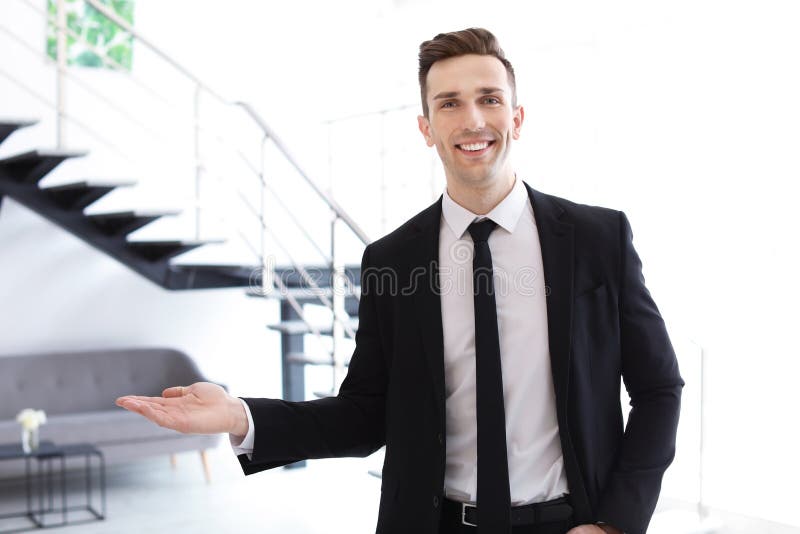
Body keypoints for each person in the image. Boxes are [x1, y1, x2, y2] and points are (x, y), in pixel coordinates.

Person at [117, 28, 683, 534]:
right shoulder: (392, 260)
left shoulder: (596, 238)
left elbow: (658, 388)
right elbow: (365, 414)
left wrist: (616, 523)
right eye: (449, 103)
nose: (474, 120)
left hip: (571, 521)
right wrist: (240, 415)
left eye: (490, 99)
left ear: (517, 116)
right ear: (426, 128)